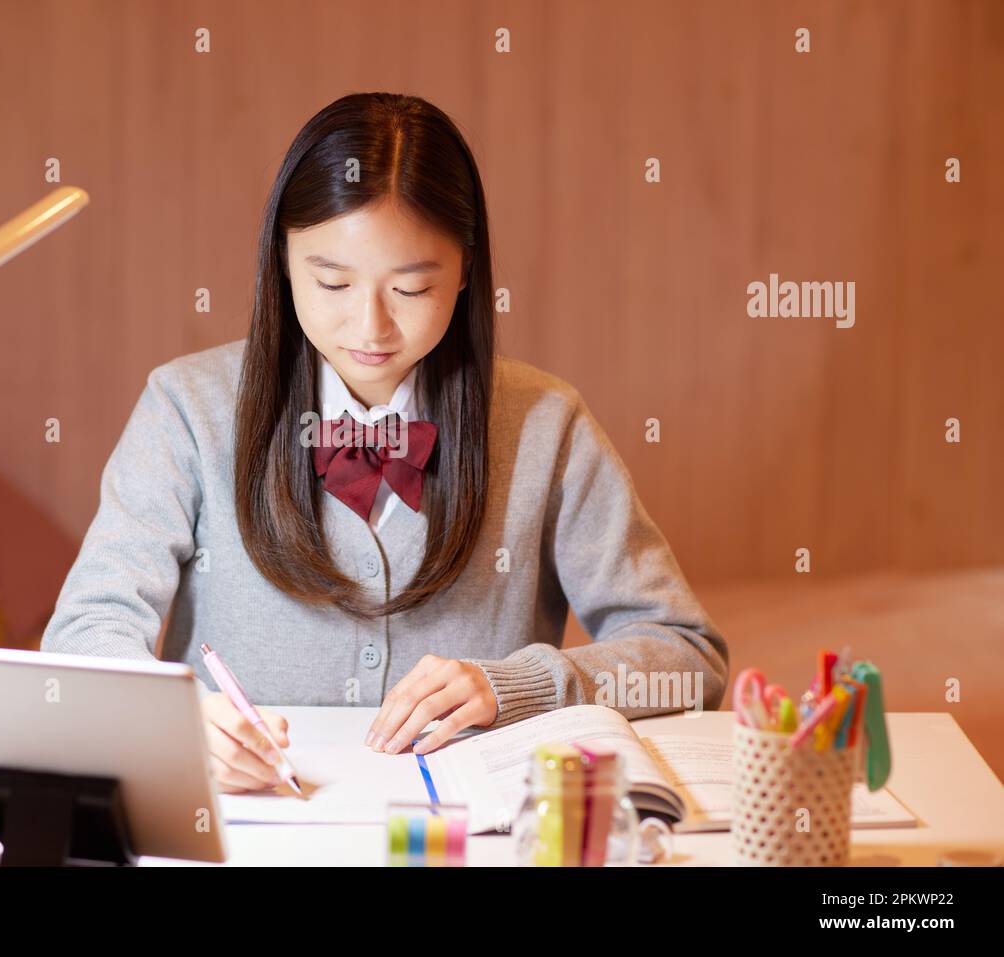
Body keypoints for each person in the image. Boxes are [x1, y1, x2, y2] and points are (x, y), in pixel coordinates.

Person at [41, 92, 727, 793]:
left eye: (411, 287)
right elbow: (84, 634)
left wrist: (521, 684)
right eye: (332, 281)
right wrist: (173, 720)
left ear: (465, 272)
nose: (369, 327)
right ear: (282, 259)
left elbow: (689, 655)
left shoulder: (547, 423)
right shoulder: (186, 409)